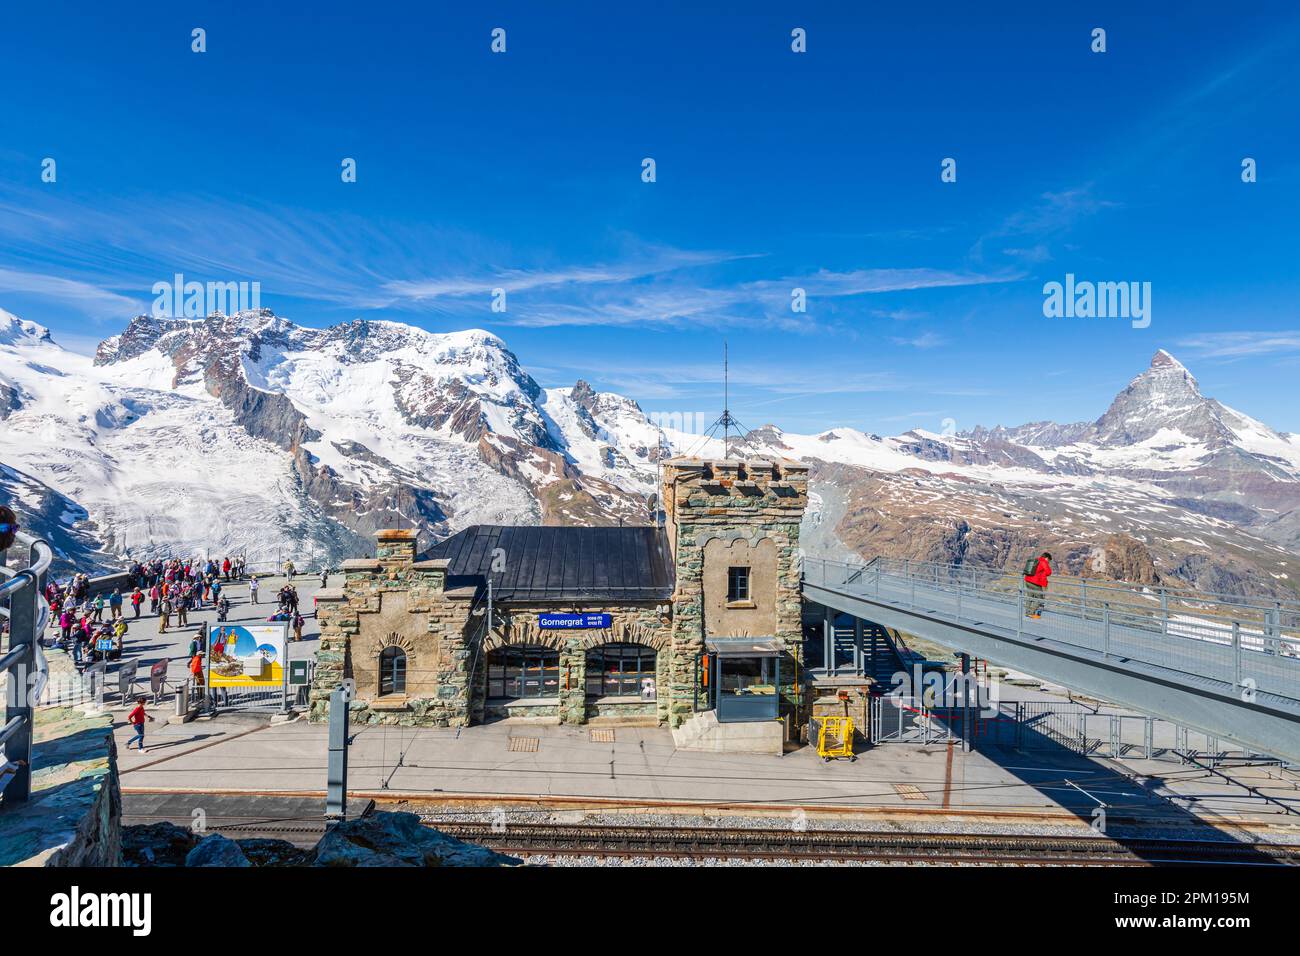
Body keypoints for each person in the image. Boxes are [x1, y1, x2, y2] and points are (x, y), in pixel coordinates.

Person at [1023, 551, 1053, 619]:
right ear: (1047, 558)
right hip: (1035, 582)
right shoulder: (1043, 562)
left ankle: (1027, 612)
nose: (1049, 562)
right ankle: (1031, 613)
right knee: (1040, 598)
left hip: (1028, 580)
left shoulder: (1036, 560)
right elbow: (1049, 572)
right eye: (1049, 560)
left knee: (1030, 597)